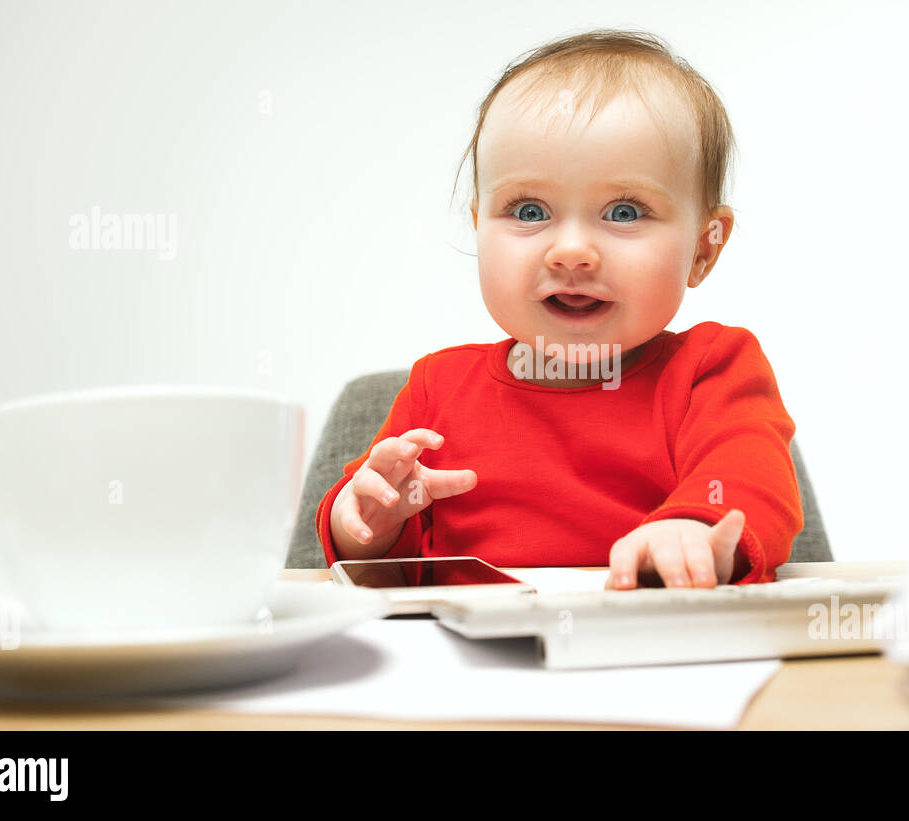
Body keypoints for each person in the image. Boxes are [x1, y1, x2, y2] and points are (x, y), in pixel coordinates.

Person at [317, 29, 803, 587]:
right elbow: (375, 559)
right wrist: (369, 520)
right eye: (528, 210)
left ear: (702, 248)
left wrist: (694, 527)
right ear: (479, 227)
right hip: (469, 659)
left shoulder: (712, 370)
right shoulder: (437, 387)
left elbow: (750, 478)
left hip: (650, 647)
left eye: (624, 212)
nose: (571, 251)